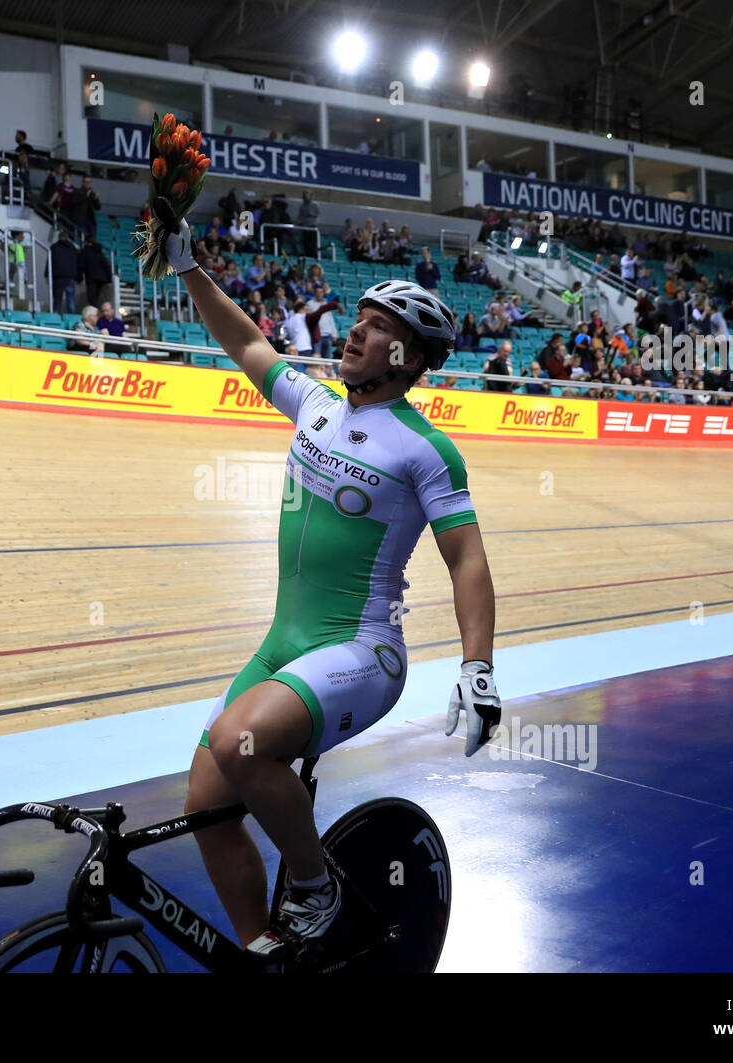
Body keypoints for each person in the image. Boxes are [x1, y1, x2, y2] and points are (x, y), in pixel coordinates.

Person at [158, 218, 500, 962]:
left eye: (378, 328)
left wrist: (477, 666)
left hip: (361, 651)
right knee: (206, 806)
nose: (356, 332)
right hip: (283, 646)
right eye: (359, 319)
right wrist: (189, 268)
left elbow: (467, 559)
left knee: (238, 743)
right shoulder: (315, 404)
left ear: (407, 356)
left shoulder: (426, 450)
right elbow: (249, 345)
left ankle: (318, 890)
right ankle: (263, 951)